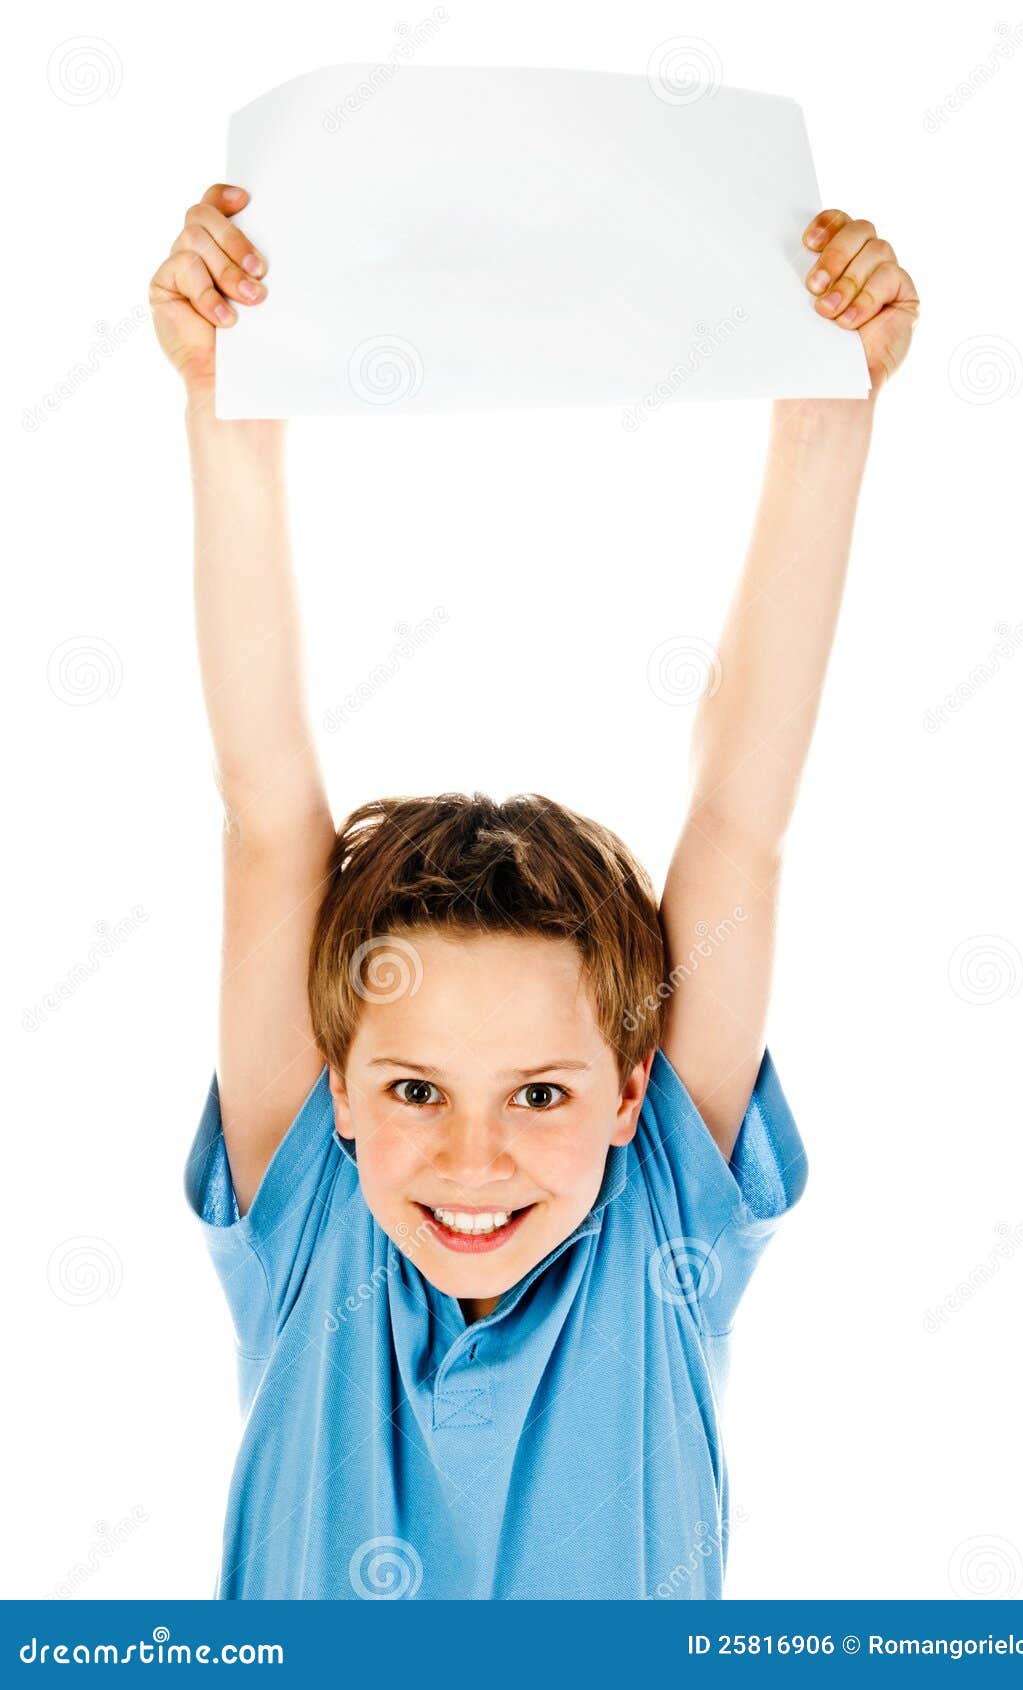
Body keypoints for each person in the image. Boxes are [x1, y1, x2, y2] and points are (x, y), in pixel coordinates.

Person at [149, 185, 918, 1599]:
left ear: (635, 1090)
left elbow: (740, 818)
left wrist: (829, 412)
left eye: (545, 1093)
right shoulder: (312, 1217)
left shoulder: (660, 1228)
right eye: (416, 1088)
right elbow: (268, 819)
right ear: (333, 1086)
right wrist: (227, 404)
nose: (473, 1158)